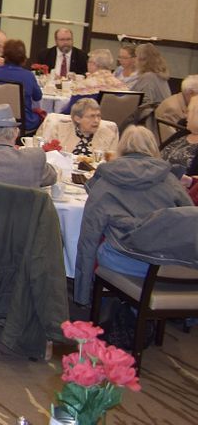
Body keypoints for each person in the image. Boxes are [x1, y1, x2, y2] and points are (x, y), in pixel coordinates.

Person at [72, 125, 193, 305]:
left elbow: (88, 238)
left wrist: (81, 296)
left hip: (126, 258)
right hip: (164, 264)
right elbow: (190, 220)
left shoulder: (106, 181)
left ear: (121, 147)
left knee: (102, 249)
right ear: (153, 147)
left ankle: (110, 312)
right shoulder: (170, 180)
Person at [0, 38, 43, 131]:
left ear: (4, 55)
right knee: (41, 117)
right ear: (23, 57)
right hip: (22, 123)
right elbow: (38, 97)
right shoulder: (28, 75)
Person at [37, 98, 118, 158]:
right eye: (91, 116)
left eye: (98, 116)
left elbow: (113, 161)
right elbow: (49, 156)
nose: (96, 121)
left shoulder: (109, 132)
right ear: (77, 119)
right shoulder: (60, 129)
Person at [161, 97, 198, 178]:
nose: (185, 116)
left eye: (188, 112)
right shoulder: (183, 133)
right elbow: (157, 151)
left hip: (177, 187)